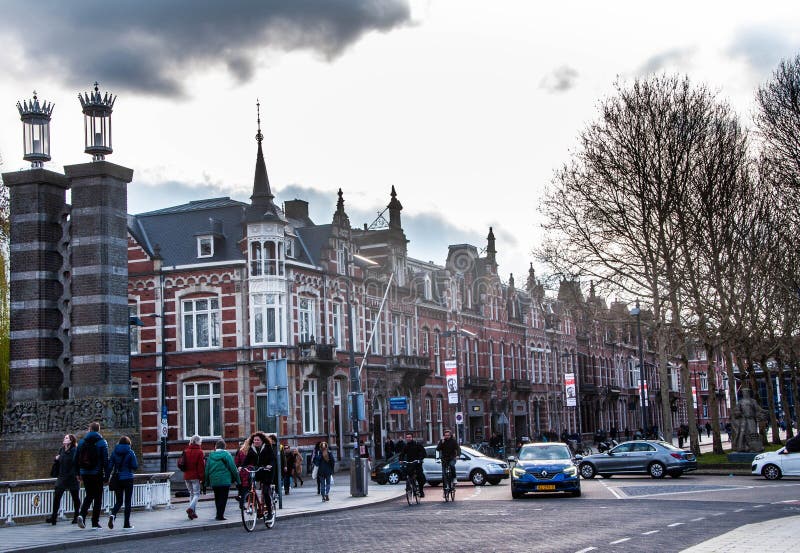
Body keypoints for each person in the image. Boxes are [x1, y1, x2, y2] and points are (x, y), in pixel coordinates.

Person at [75, 421, 109, 529]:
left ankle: (82, 515)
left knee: (89, 495)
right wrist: (107, 476)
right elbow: (105, 461)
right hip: (97, 473)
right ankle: (95, 522)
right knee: (98, 498)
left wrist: (78, 473)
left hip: (85, 473)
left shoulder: (81, 442)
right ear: (98, 429)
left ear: (89, 429)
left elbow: (75, 459)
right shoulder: (102, 442)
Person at [46, 434, 80, 525]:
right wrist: (56, 459)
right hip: (62, 476)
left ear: (71, 441)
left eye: (66, 438)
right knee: (57, 497)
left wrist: (77, 474)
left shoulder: (74, 450)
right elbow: (59, 461)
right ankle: (54, 517)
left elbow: (75, 462)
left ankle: (77, 516)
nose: (64, 439)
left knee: (75, 497)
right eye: (64, 437)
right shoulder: (61, 449)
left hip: (72, 477)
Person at [107, 436, 138, 530]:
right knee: (128, 502)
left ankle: (113, 514)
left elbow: (110, 466)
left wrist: (106, 477)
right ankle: (126, 524)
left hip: (117, 478)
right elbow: (135, 466)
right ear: (129, 443)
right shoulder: (130, 452)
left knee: (119, 501)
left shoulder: (114, 452)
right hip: (128, 478)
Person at [204, 439, 240, 521]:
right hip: (225, 480)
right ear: (224, 447)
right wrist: (238, 480)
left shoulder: (211, 456)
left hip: (214, 480)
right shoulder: (227, 455)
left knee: (217, 497)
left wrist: (206, 482)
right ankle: (220, 515)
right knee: (223, 498)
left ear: (216, 446)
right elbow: (233, 468)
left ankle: (218, 514)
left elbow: (207, 469)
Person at [244, 432, 275, 520]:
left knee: (265, 492)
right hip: (257, 471)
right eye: (254, 440)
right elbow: (246, 460)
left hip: (267, 472)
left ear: (262, 441)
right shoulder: (252, 449)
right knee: (250, 485)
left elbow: (272, 459)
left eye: (258, 440)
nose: (256, 441)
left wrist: (270, 466)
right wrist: (241, 467)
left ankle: (269, 512)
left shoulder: (268, 448)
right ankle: (252, 503)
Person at [182, 434, 206, 520]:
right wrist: (202, 477)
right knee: (196, 494)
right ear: (197, 442)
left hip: (186, 476)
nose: (201, 443)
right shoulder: (200, 452)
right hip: (195, 476)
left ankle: (193, 513)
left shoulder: (186, 451)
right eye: (200, 442)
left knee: (191, 494)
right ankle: (191, 509)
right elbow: (201, 466)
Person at [399, 432, 426, 497]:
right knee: (407, 473)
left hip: (417, 463)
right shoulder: (406, 446)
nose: (408, 438)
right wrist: (401, 460)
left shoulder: (417, 444)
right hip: (410, 463)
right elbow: (402, 453)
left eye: (409, 437)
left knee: (420, 477)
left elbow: (423, 453)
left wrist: (420, 459)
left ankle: (421, 490)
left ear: (412, 438)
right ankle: (410, 486)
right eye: (407, 437)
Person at [234, 436, 252, 508]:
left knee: (243, 490)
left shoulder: (240, 451)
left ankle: (242, 504)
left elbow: (236, 462)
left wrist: (238, 468)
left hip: (242, 472)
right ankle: (250, 503)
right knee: (250, 488)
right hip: (250, 471)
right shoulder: (252, 451)